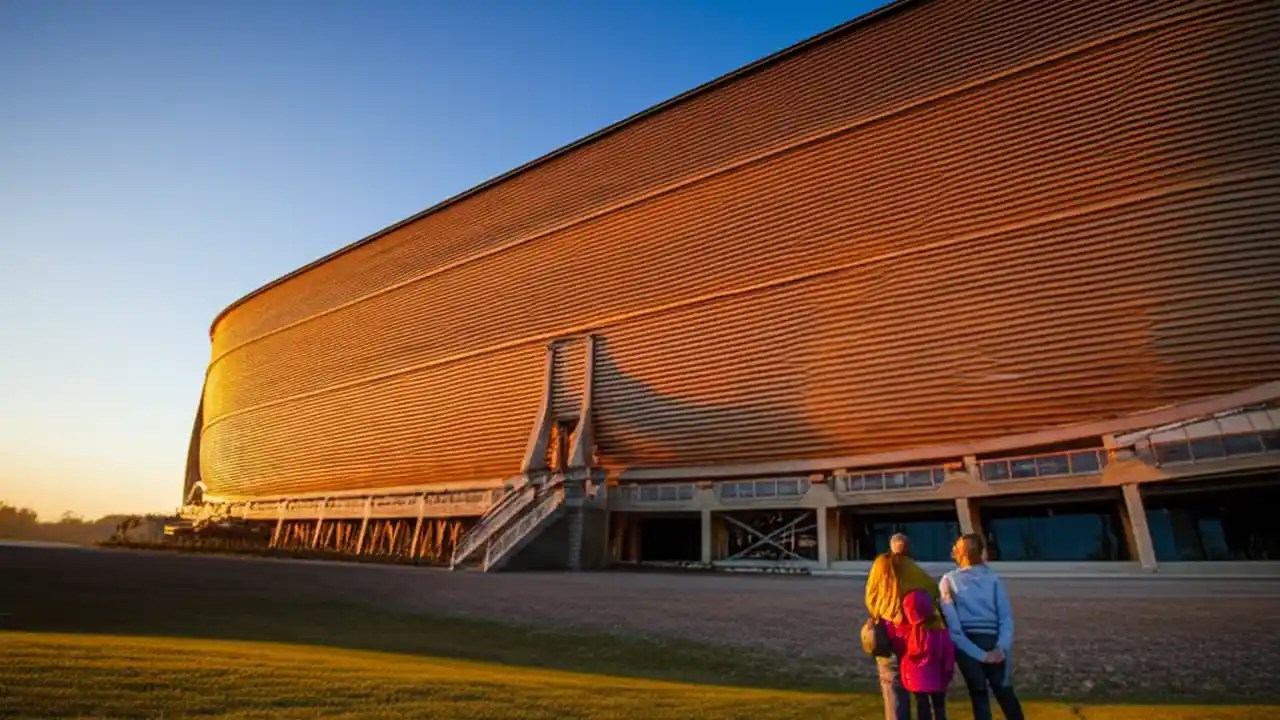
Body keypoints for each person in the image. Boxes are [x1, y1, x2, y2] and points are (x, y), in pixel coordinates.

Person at [940, 533, 1025, 720]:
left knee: (982, 695)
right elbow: (1005, 618)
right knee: (1003, 692)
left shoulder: (949, 580)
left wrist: (996, 650)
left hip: (973, 644)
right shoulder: (990, 579)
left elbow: (954, 628)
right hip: (985, 642)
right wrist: (998, 650)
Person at [866, 533, 944, 720]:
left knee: (892, 688)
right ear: (909, 548)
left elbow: (870, 598)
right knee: (921, 688)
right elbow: (934, 593)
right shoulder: (914, 571)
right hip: (914, 639)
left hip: (887, 635)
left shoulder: (880, 565)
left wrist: (881, 612)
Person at [885, 589, 955, 720]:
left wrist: (886, 622)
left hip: (917, 678)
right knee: (939, 707)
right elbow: (948, 652)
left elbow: (895, 638)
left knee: (922, 707)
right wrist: (948, 670)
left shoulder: (907, 631)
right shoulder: (940, 630)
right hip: (938, 677)